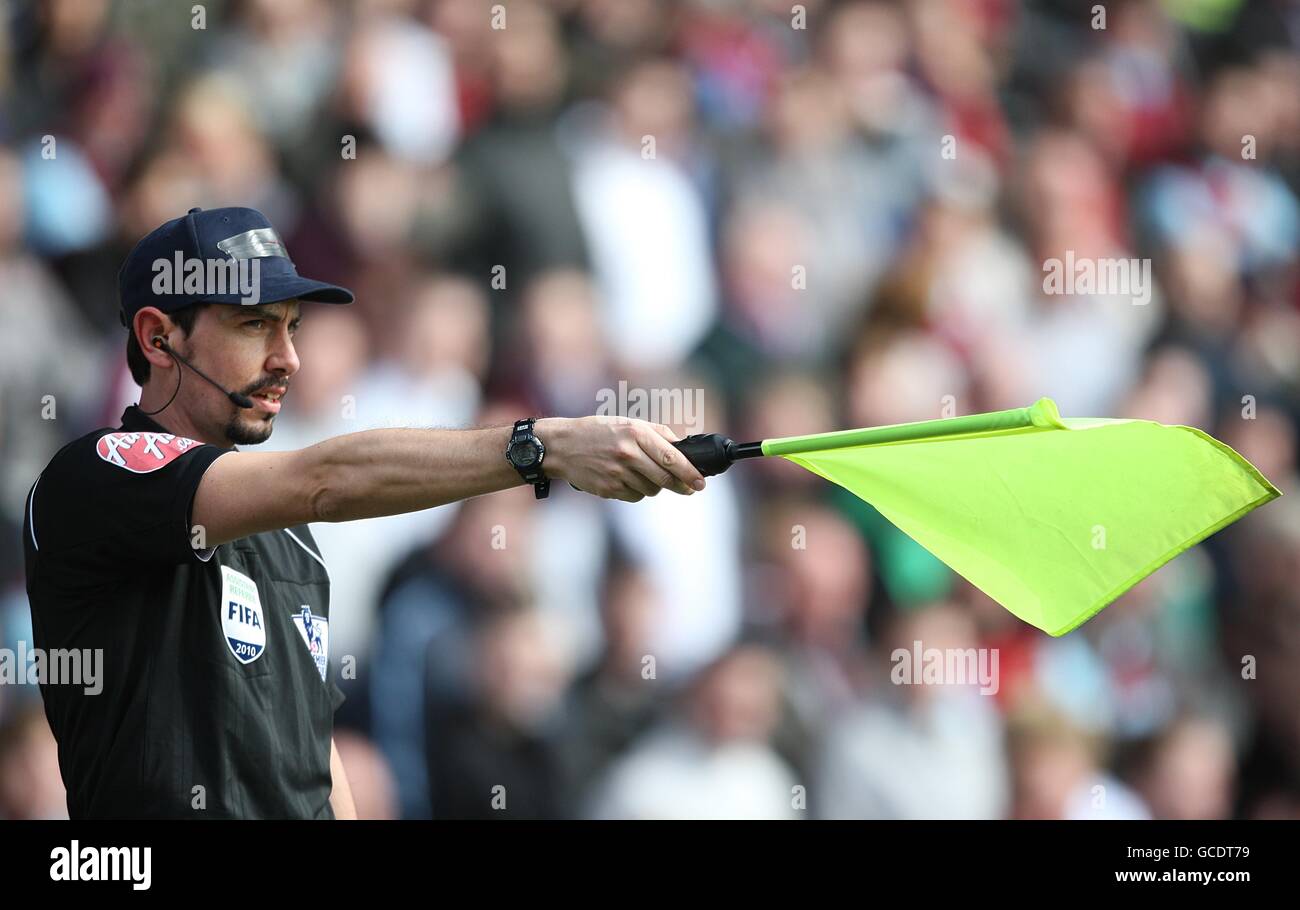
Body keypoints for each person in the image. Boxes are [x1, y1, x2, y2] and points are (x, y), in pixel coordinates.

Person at [20, 206, 706, 819]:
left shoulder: (292, 537)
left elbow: (311, 758)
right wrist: (543, 445)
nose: (288, 357)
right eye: (254, 324)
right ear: (158, 337)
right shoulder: (97, 475)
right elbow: (328, 478)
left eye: (292, 328)